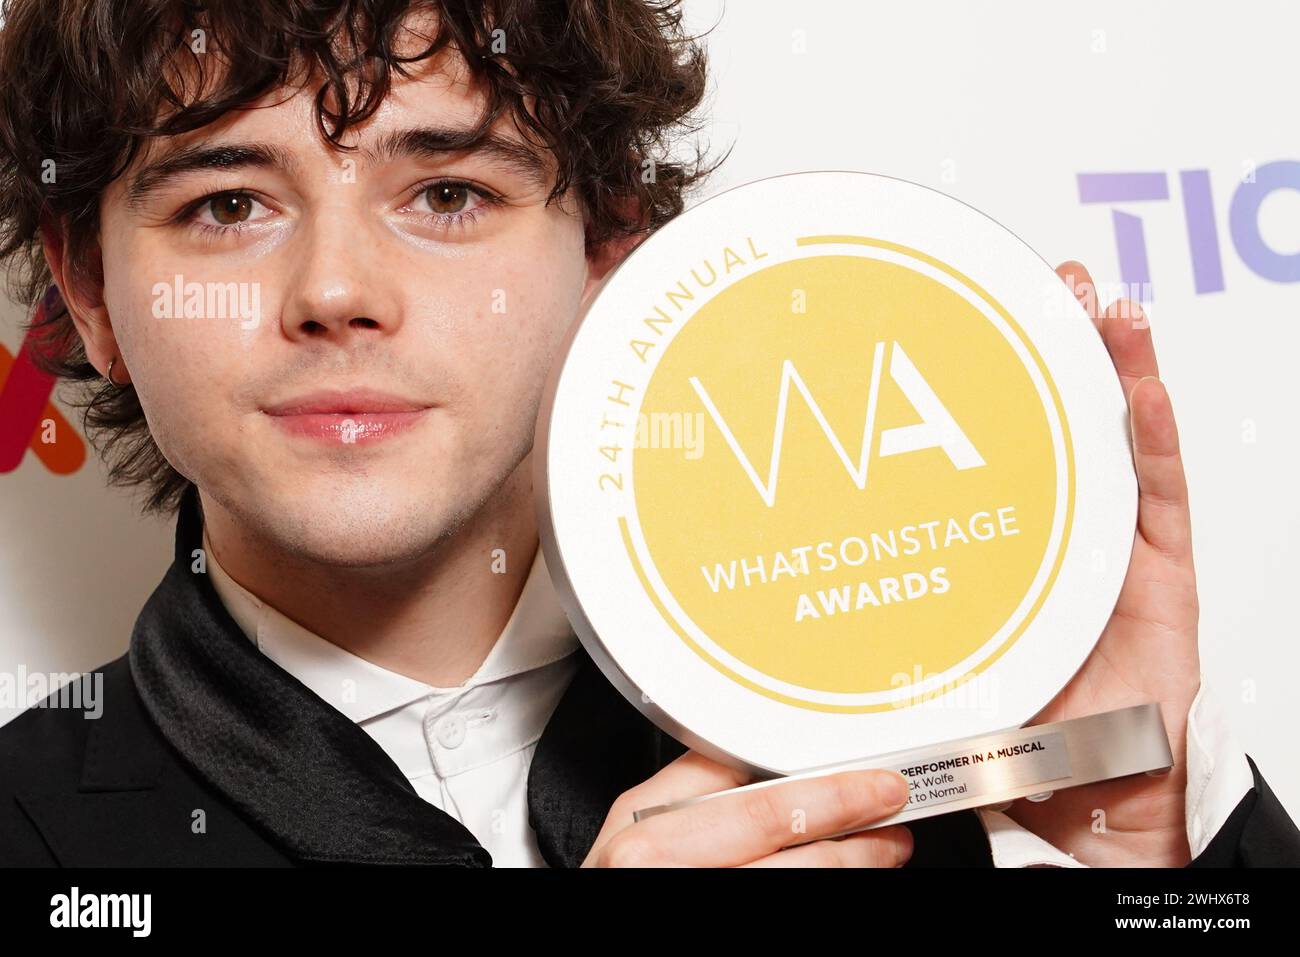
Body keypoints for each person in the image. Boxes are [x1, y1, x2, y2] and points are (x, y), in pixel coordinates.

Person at [0, 0, 1296, 868]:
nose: (336, 290)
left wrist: (1152, 830)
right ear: (97, 296)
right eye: (229, 204)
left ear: (609, 252)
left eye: (446, 192)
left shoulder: (885, 694)